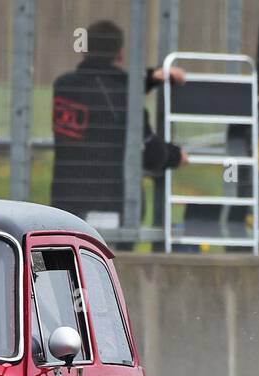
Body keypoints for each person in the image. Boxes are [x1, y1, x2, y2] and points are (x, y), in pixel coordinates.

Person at [49, 19, 188, 238]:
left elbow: (102, 88)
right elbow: (153, 154)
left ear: (84, 50)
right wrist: (176, 155)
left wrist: (150, 76)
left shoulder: (63, 85)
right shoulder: (125, 94)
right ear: (121, 54)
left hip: (65, 202)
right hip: (113, 202)